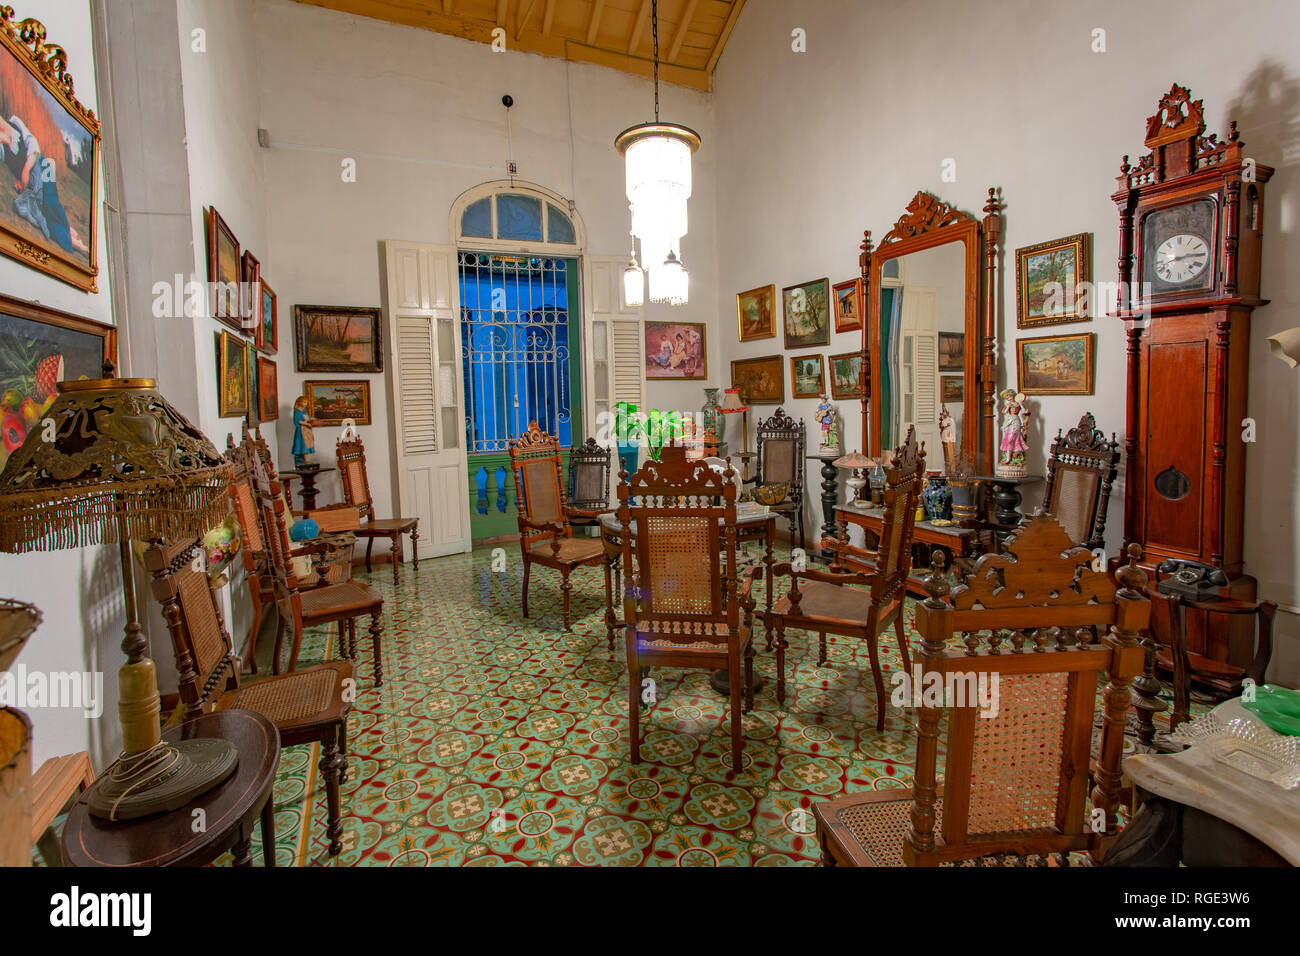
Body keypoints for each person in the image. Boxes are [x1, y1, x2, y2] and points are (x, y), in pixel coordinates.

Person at [292, 396, 321, 470]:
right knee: (303, 445)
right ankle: (305, 460)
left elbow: (308, 417)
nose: (306, 404)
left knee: (307, 443)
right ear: (300, 402)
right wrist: (307, 424)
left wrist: (314, 419)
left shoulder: (303, 411)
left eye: (306, 402)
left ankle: (306, 459)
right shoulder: (297, 411)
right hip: (301, 431)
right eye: (304, 402)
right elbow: (298, 421)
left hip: (306, 431)